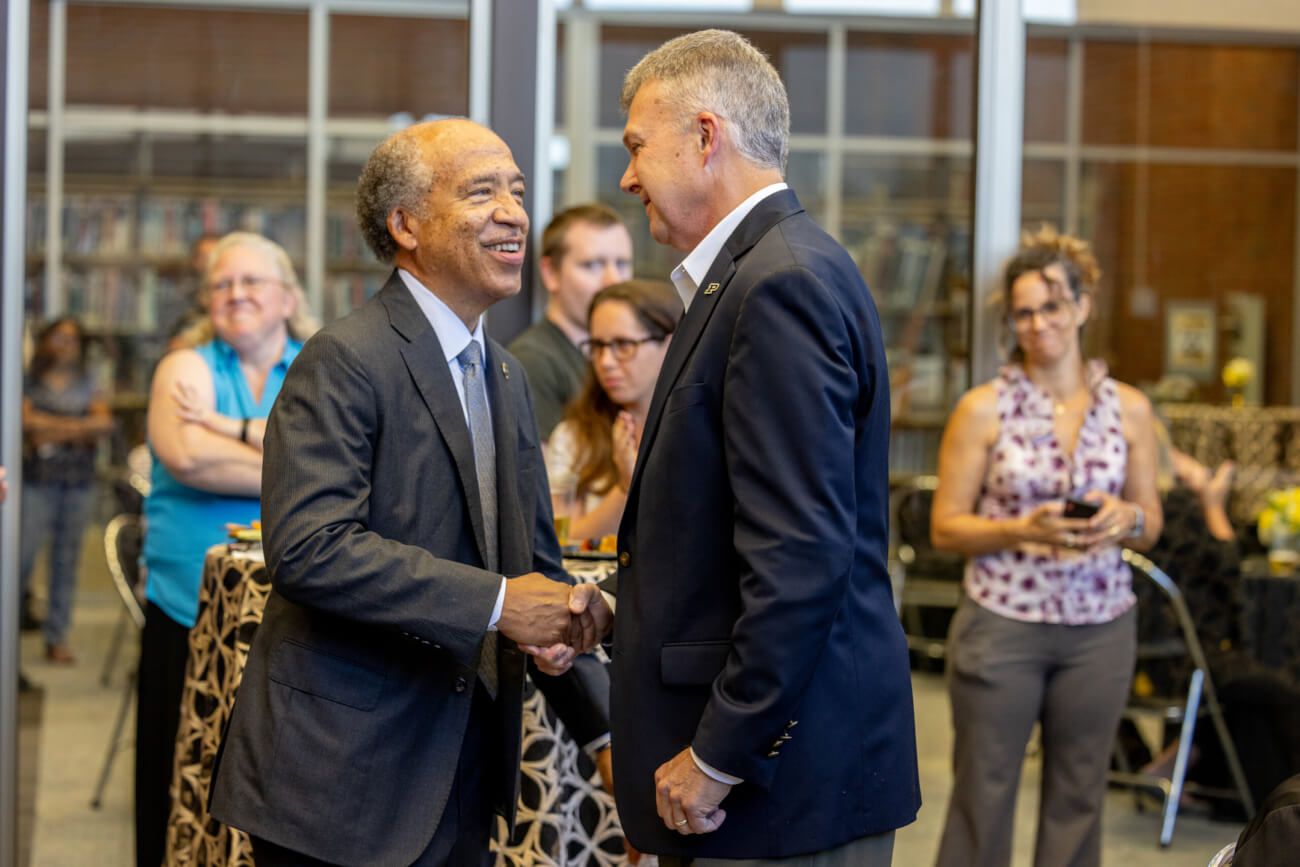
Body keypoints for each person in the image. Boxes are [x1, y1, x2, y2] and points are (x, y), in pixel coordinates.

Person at [537, 29, 921, 864]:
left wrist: (719, 752)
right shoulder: (756, 273)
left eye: (638, 146)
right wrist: (616, 606)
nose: (629, 174)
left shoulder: (779, 284)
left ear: (706, 136)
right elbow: (718, 531)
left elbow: (801, 556)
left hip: (782, 788)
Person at [208, 118, 608, 867]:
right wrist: (496, 602)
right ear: (406, 225)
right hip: (341, 779)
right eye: (481, 191)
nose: (514, 211)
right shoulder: (344, 358)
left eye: (518, 191)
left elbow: (535, 567)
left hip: (462, 767)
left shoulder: (508, 378)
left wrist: (602, 730)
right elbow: (309, 549)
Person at [930, 225, 1163, 867]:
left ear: (1083, 306)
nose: (1037, 324)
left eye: (1051, 306)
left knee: (1079, 798)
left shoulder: (1130, 408)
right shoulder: (984, 408)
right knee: (984, 791)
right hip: (1002, 625)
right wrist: (1021, 529)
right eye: (1024, 312)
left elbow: (1153, 519)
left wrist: (1126, 516)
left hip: (1101, 628)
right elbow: (945, 526)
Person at [135, 230, 316, 867]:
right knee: (177, 763)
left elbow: (363, 465)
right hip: (188, 604)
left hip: (299, 608)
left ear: (288, 296)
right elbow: (187, 457)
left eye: (251, 282)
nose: (235, 294)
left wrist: (229, 435)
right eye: (221, 284)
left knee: (281, 781)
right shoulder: (184, 366)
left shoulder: (321, 365)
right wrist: (298, 460)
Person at [545, 279, 681, 543]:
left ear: (669, 344)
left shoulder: (696, 428)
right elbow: (561, 542)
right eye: (597, 346)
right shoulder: (574, 437)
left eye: (623, 345)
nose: (606, 362)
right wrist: (624, 488)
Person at [18, 316, 114, 663]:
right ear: (45, 340)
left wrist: (49, 427)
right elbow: (26, 424)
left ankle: (56, 635)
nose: (64, 345)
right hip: (35, 483)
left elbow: (103, 423)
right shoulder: (28, 379)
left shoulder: (89, 381)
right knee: (22, 558)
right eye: (58, 337)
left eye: (72, 339)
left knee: (66, 560)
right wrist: (79, 427)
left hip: (79, 484)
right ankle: (10, 628)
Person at [508, 203, 634, 440]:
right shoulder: (534, 361)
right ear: (551, 273)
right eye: (592, 265)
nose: (613, 280)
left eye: (622, 264)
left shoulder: (616, 356)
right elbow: (540, 474)